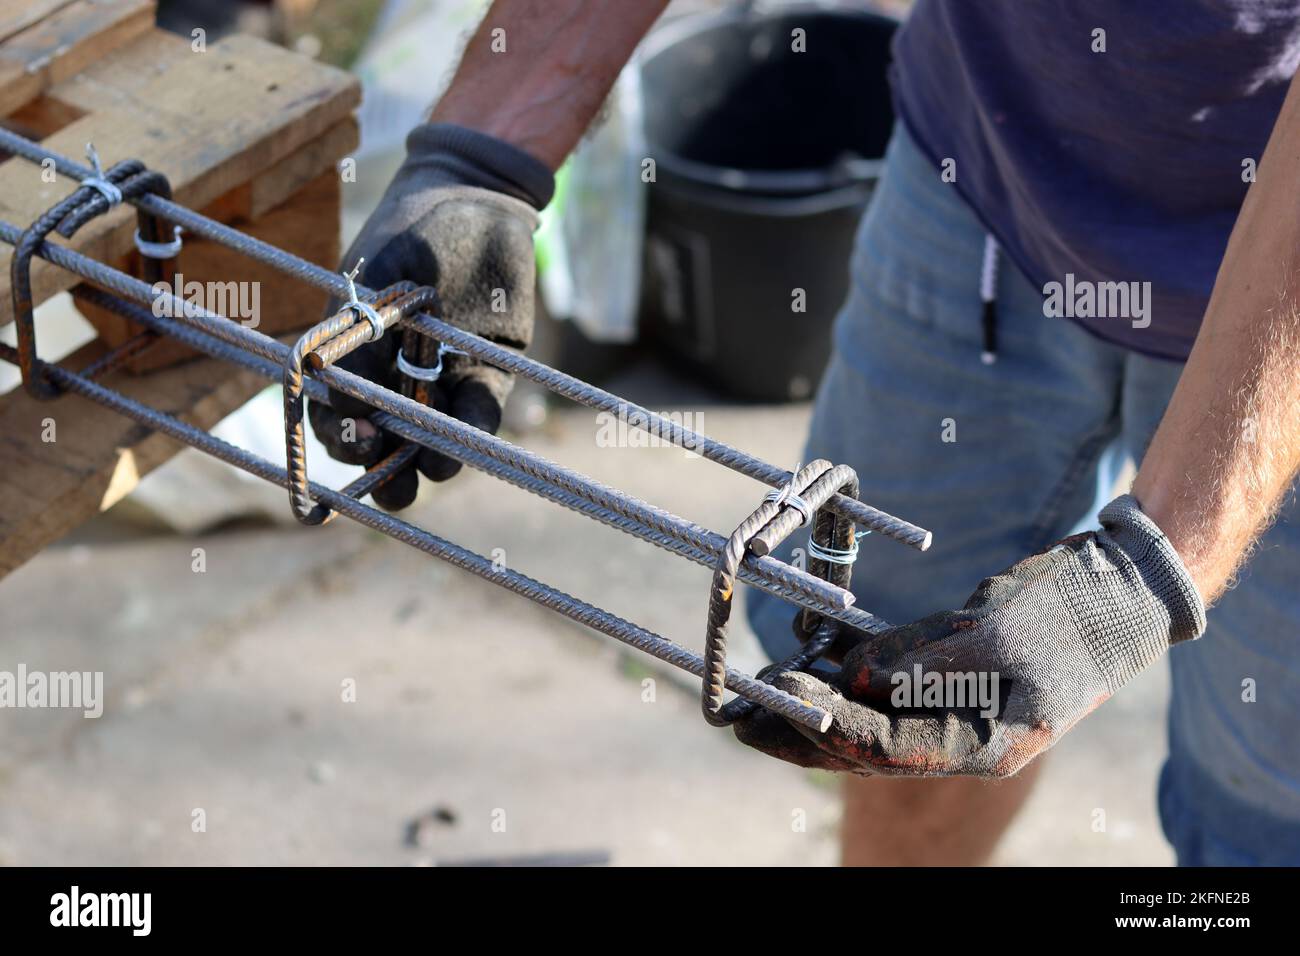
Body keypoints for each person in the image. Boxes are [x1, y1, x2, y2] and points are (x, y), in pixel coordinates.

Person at [308, 0, 1300, 866]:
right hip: (986, 172)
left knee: (1265, 812)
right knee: (887, 688)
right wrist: (484, 153)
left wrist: (1157, 559)